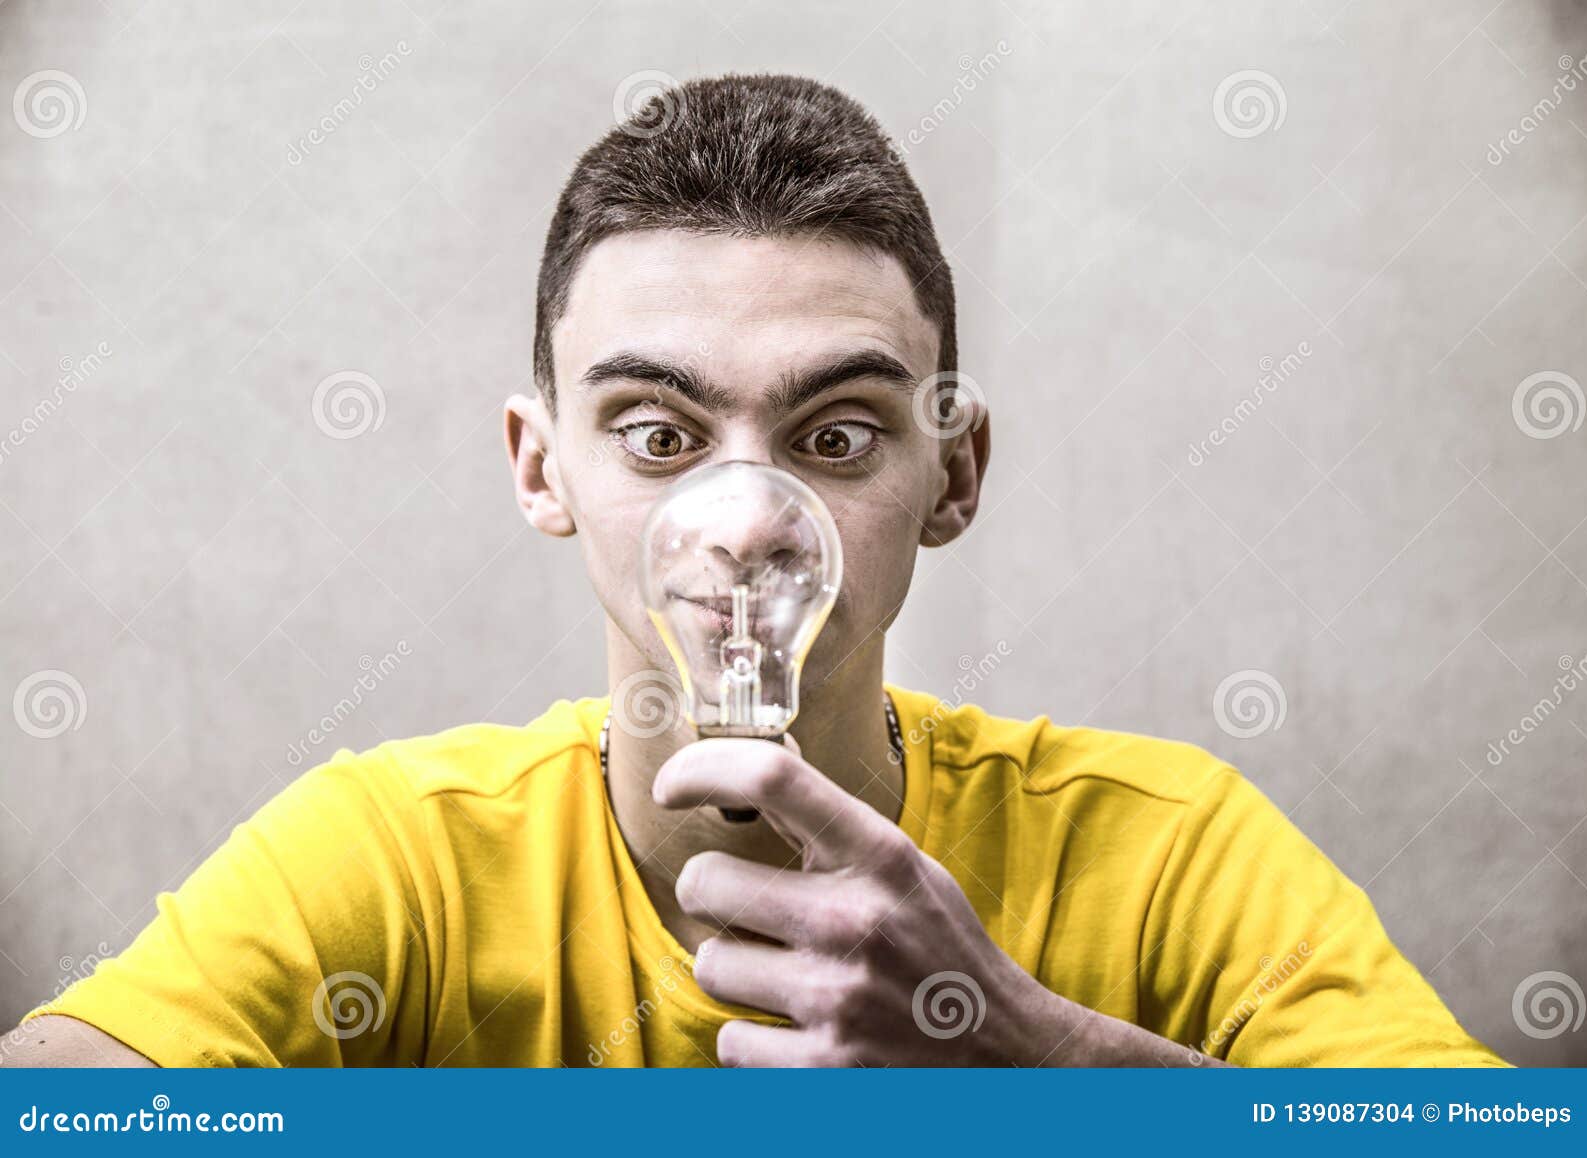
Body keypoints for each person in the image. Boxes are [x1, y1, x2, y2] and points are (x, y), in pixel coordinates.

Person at [5, 74, 1505, 1068]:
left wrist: (1042, 1062)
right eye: (658, 433)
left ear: (954, 472)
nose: (743, 520)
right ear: (543, 467)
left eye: (837, 433)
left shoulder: (1171, 854)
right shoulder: (401, 862)